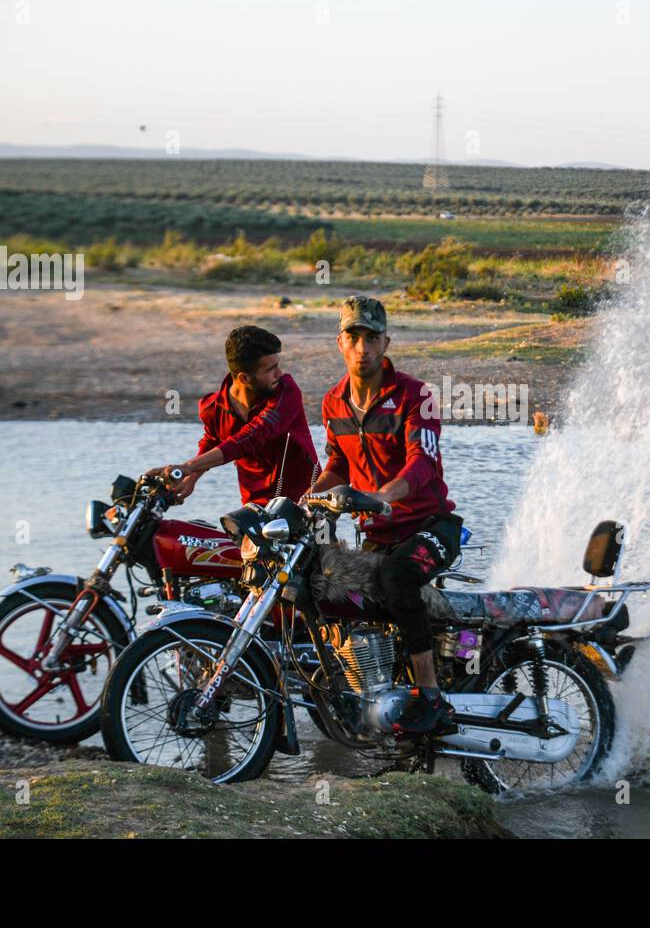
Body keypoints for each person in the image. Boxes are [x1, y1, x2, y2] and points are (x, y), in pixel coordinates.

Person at [308, 296, 463, 735]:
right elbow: (337, 464)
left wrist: (382, 497)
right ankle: (366, 690)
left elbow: (421, 463)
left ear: (386, 342)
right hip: (378, 532)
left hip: (432, 527)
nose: (363, 347)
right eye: (354, 337)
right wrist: (308, 500)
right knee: (331, 581)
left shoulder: (417, 395)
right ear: (340, 342)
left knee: (396, 579)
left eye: (372, 338)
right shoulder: (333, 402)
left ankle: (430, 696)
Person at [148, 325, 319, 506]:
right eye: (271, 369)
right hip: (255, 504)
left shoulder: (286, 392)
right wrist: (191, 478)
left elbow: (252, 436)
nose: (280, 373)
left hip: (306, 498)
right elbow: (213, 440)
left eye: (278, 365)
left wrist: (188, 467)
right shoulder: (212, 408)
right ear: (244, 378)